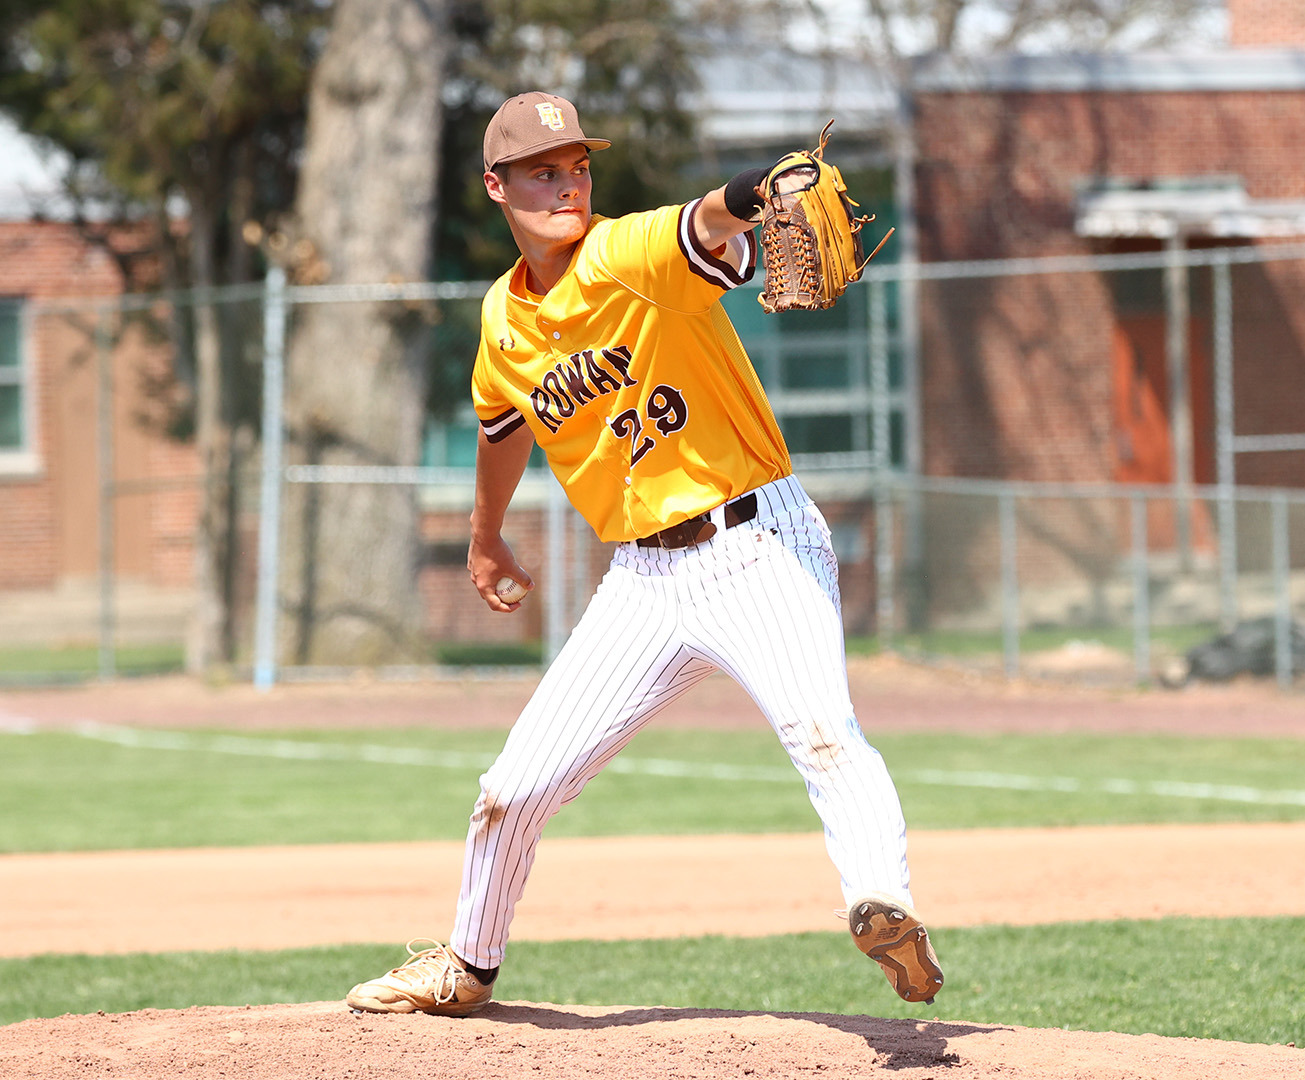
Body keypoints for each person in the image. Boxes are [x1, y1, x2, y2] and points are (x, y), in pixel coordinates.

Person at [345, 91, 942, 1017]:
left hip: (755, 539)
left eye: (578, 165)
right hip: (644, 581)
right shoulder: (503, 318)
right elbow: (503, 425)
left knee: (822, 731)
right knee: (512, 790)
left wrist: (756, 189)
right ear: (496, 186)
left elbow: (704, 221)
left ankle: (883, 901)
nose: (567, 183)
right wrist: (484, 534)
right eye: (545, 170)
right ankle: (467, 966)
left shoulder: (623, 254)